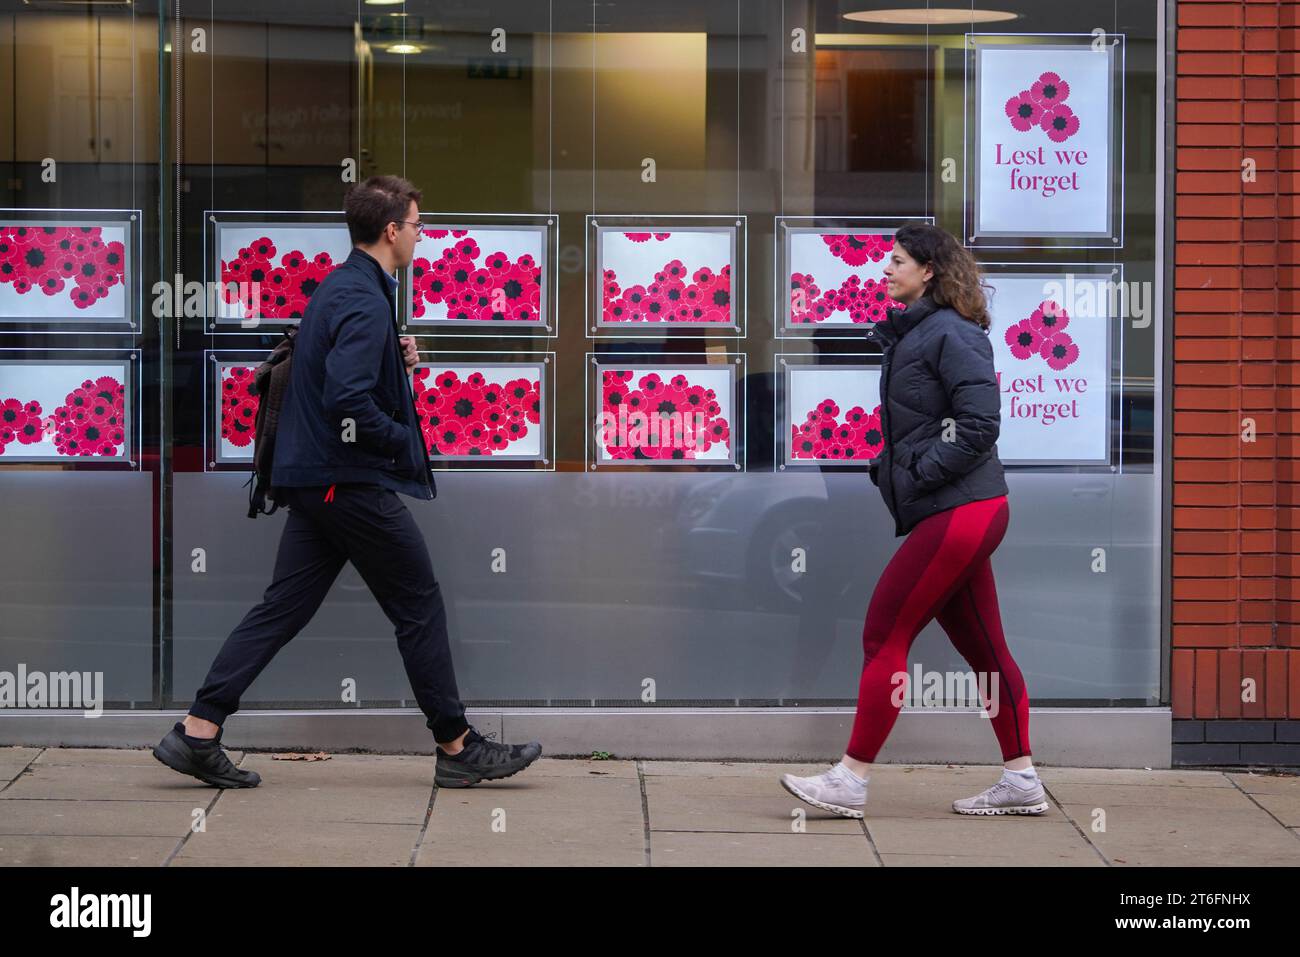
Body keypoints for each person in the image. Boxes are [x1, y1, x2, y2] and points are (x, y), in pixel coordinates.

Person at [153, 175, 542, 789]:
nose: (421, 235)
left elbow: (337, 371)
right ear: (392, 231)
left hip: (317, 480)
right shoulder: (363, 298)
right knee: (417, 603)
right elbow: (347, 398)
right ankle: (457, 745)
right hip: (346, 481)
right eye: (416, 225)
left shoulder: (343, 287)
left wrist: (394, 355)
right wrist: (403, 438)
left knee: (282, 608)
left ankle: (197, 730)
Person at [779, 223, 1044, 818]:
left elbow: (979, 427)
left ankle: (850, 780)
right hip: (959, 509)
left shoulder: (954, 334)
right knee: (986, 651)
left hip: (962, 509)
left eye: (897, 261)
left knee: (883, 635)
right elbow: (921, 422)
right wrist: (890, 466)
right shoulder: (918, 334)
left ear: (929, 271)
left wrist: (918, 472)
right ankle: (1022, 779)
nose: (885, 269)